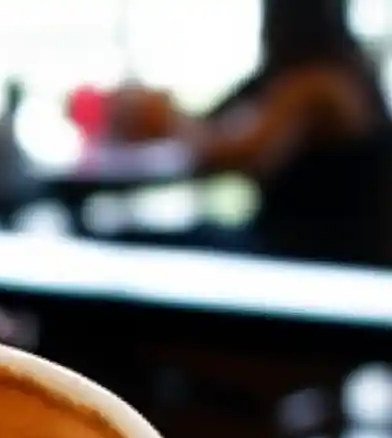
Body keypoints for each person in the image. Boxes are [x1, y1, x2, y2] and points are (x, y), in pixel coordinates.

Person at [122, 0, 392, 263]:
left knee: (131, 245)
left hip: (311, 258)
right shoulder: (293, 77)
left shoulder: (317, 84)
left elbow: (246, 155)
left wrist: (167, 120)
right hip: (295, 249)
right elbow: (212, 125)